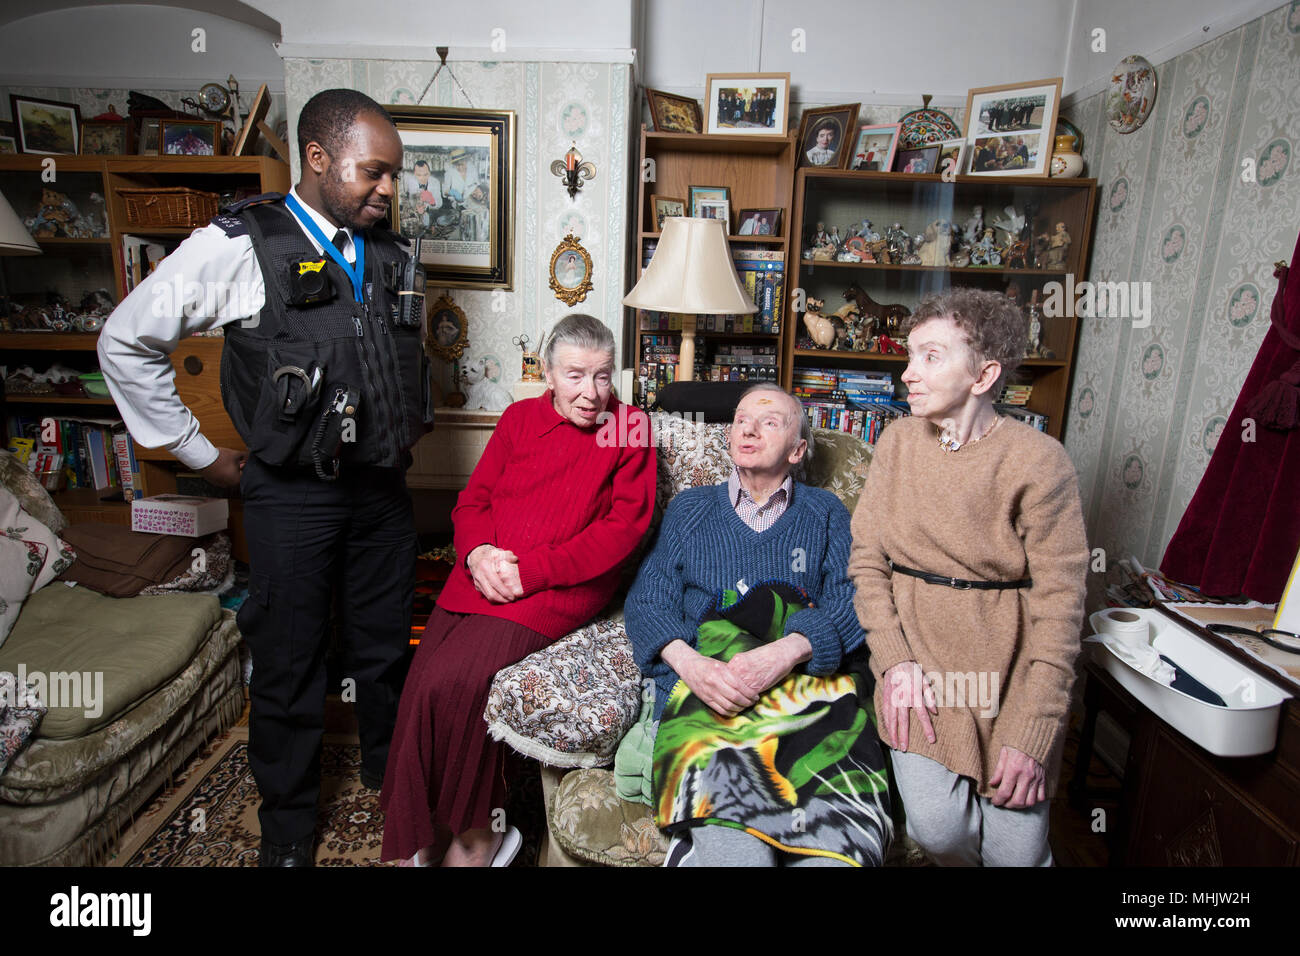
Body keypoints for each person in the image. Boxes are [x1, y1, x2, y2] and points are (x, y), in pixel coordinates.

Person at [98, 88, 435, 867]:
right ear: (317, 159)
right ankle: (287, 830)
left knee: (386, 650)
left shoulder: (387, 250)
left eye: (395, 175)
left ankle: (394, 783)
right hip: (293, 498)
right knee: (289, 661)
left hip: (381, 491)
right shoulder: (240, 245)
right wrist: (203, 457)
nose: (389, 189)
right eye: (373, 172)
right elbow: (124, 340)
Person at [380, 313, 656, 867]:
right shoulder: (518, 418)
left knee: (458, 683)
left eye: (603, 377)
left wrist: (530, 572)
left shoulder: (630, 429)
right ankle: (430, 828)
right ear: (548, 374)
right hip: (481, 575)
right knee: (420, 687)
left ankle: (478, 835)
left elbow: (620, 532)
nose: (590, 393)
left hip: (559, 587)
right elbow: (474, 501)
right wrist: (478, 553)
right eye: (575, 375)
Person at [847, 288, 1088, 867]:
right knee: (939, 831)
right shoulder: (898, 442)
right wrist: (894, 662)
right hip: (920, 669)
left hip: (1009, 675)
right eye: (911, 355)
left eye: (930, 356)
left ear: (983, 375)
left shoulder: (1040, 460)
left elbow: (1061, 606)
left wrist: (1033, 730)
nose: (908, 373)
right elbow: (867, 563)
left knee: (1018, 854)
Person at [625, 384, 892, 867]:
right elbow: (648, 598)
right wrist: (692, 666)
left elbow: (856, 599)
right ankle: (698, 844)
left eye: (769, 422)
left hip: (806, 697)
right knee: (737, 855)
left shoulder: (825, 513)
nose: (747, 427)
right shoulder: (690, 510)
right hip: (712, 695)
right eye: (742, 419)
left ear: (797, 450)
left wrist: (786, 651)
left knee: (834, 856)